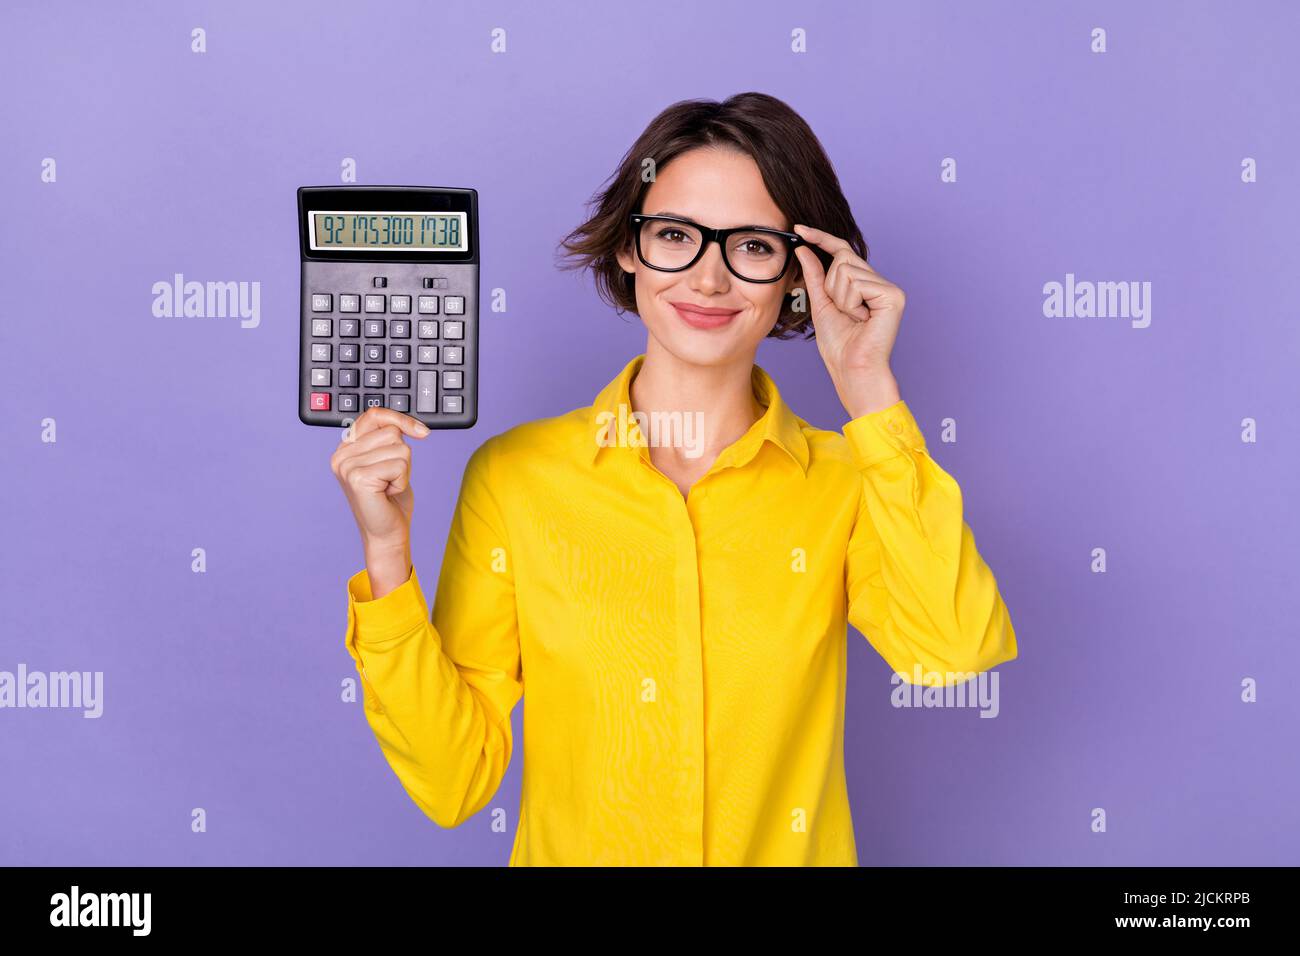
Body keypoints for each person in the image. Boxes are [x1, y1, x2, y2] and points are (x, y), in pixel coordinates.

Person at [331, 92, 1018, 866]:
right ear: (629, 249)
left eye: (753, 246)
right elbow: (454, 781)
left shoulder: (849, 482)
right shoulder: (515, 479)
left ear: (801, 271)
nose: (710, 278)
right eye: (674, 235)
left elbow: (953, 653)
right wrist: (387, 558)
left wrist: (869, 392)